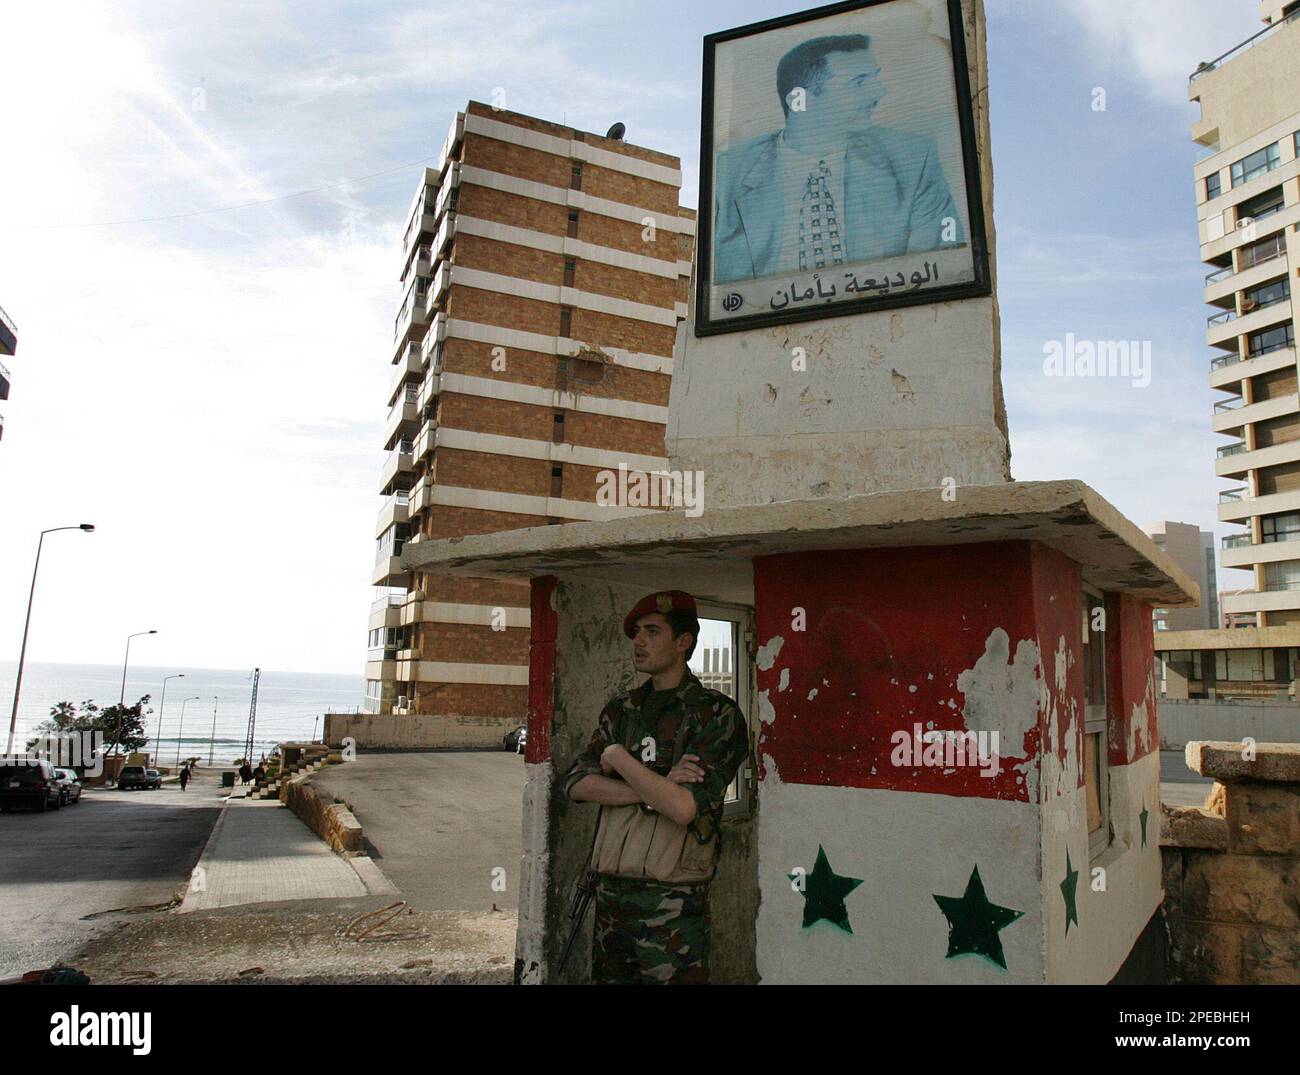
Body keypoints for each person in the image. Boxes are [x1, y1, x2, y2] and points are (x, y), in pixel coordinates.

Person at [562, 590, 750, 984]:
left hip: (673, 904)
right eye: (636, 632)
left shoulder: (716, 714)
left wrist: (617, 759)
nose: (638, 641)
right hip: (612, 895)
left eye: (652, 631)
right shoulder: (622, 710)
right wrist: (656, 787)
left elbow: (683, 808)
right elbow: (577, 784)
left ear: (683, 643)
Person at [712, 33, 963, 284]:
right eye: (859, 83)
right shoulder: (726, 173)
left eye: (875, 78)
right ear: (799, 101)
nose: (880, 91)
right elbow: (719, 290)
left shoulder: (914, 159)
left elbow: (942, 268)